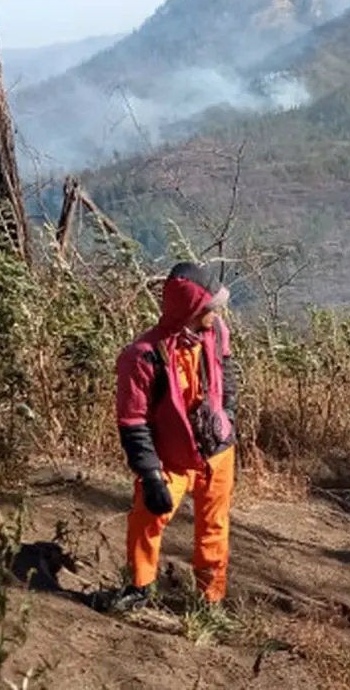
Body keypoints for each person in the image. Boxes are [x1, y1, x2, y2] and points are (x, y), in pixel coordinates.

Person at [108, 261, 238, 612]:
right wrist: (150, 474)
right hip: (171, 456)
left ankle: (210, 601)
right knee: (147, 517)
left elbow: (227, 373)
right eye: (210, 307)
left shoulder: (216, 333)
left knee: (214, 525)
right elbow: (133, 420)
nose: (216, 313)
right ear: (192, 308)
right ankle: (139, 587)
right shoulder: (142, 356)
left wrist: (228, 416)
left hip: (217, 451)